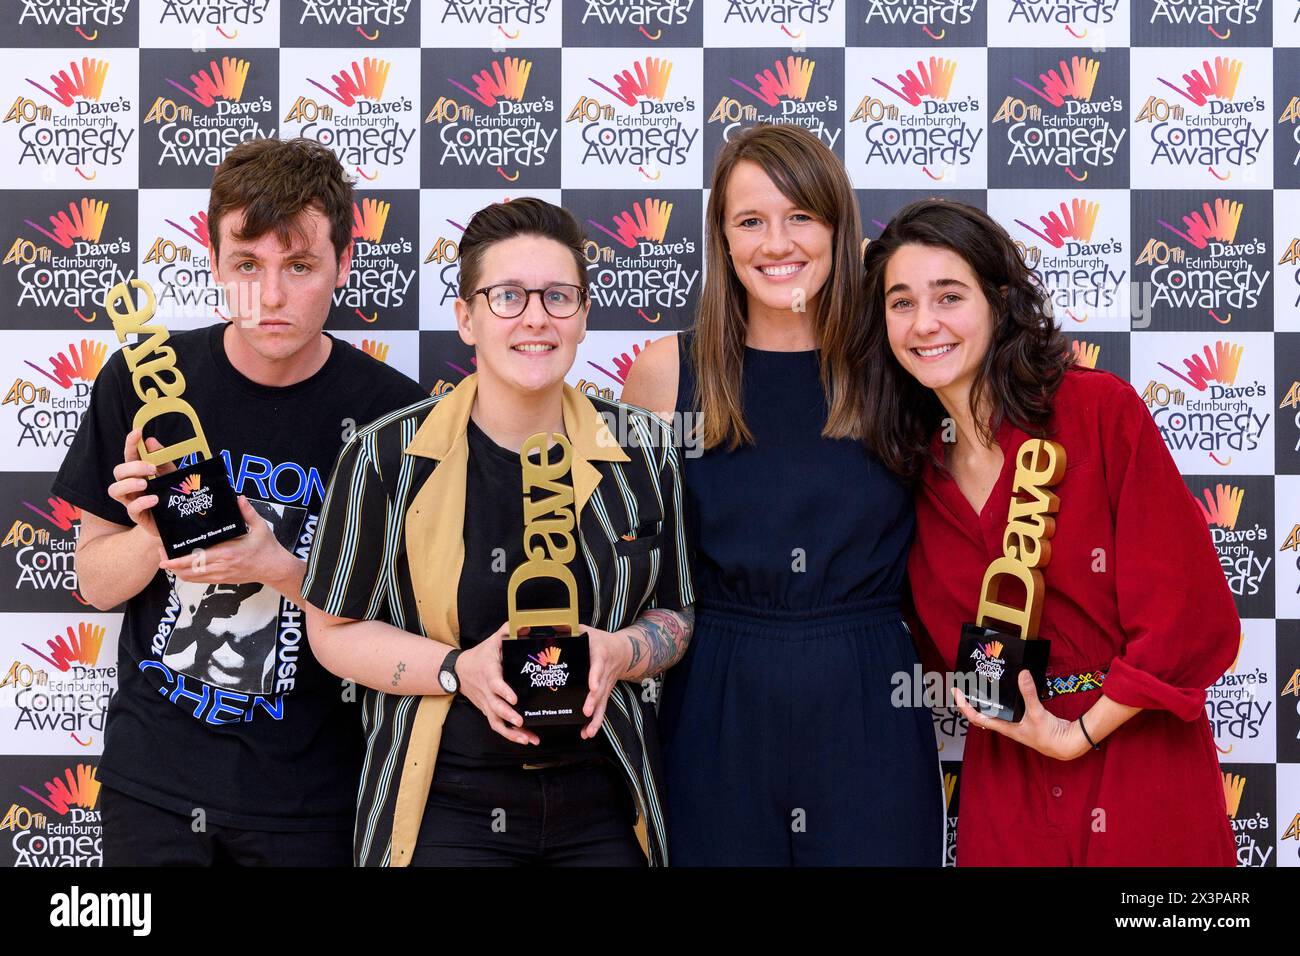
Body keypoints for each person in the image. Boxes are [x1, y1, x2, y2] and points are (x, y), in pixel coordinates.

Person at [54, 137, 430, 866]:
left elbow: (411, 618)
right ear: (213, 256)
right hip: (153, 783)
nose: (272, 297)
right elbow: (95, 584)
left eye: (300, 266)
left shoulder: (397, 419)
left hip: (314, 797)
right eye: (247, 266)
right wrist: (155, 533)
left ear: (344, 264)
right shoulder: (143, 382)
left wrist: (278, 564)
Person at [300, 197, 695, 867]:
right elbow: (331, 632)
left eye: (558, 296)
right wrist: (458, 670)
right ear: (466, 318)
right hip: (445, 808)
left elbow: (677, 613)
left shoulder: (645, 449)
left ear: (583, 315)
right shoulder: (385, 455)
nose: (535, 317)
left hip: (604, 805)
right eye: (508, 296)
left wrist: (621, 652)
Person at [862, 197, 1238, 865]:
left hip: (1139, 763)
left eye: (949, 296)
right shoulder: (909, 472)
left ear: (1000, 303)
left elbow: (1190, 618)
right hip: (1007, 785)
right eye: (900, 302)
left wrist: (1076, 734)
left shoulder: (1097, 412)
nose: (925, 324)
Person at [621, 124, 944, 865]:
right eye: (750, 220)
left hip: (871, 693)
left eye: (802, 216)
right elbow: (635, 565)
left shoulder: (899, 361)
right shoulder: (666, 371)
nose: (777, 243)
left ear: (840, 226)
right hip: (714, 696)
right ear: (722, 238)